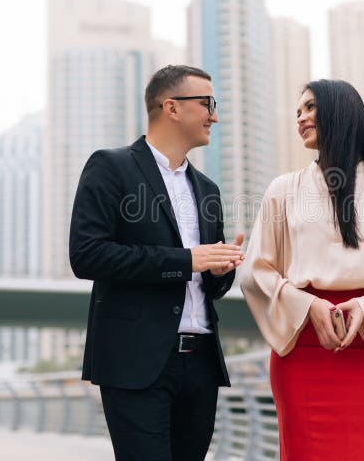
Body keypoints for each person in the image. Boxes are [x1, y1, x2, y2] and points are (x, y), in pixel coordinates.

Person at [238, 79, 364, 460]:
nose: (301, 118)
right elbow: (255, 271)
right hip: (301, 346)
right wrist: (307, 306)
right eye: (297, 112)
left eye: (310, 108)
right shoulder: (283, 189)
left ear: (340, 110)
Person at [69, 64, 245, 461]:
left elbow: (207, 285)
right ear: (171, 107)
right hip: (137, 361)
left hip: (201, 364)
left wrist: (220, 270)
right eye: (207, 103)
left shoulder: (207, 189)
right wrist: (187, 260)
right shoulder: (110, 167)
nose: (214, 115)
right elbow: (86, 255)